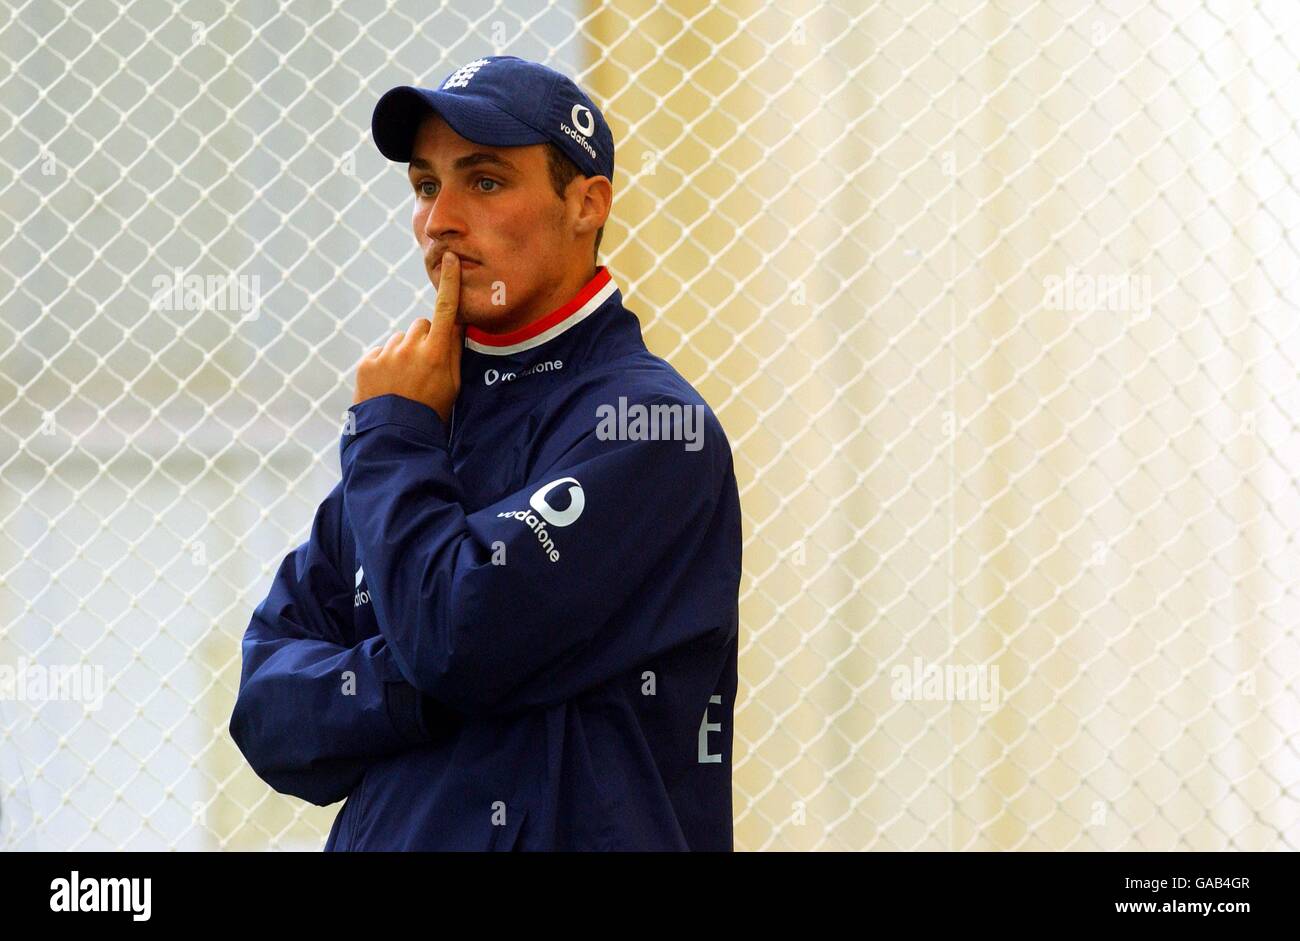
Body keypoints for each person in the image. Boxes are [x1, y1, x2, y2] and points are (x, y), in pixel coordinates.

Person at [229, 55, 742, 850]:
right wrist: (428, 681)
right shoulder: (416, 418)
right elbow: (266, 711)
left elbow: (453, 638)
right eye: (427, 186)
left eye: (486, 182)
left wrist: (395, 439)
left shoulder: (650, 426)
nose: (440, 222)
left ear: (586, 203)